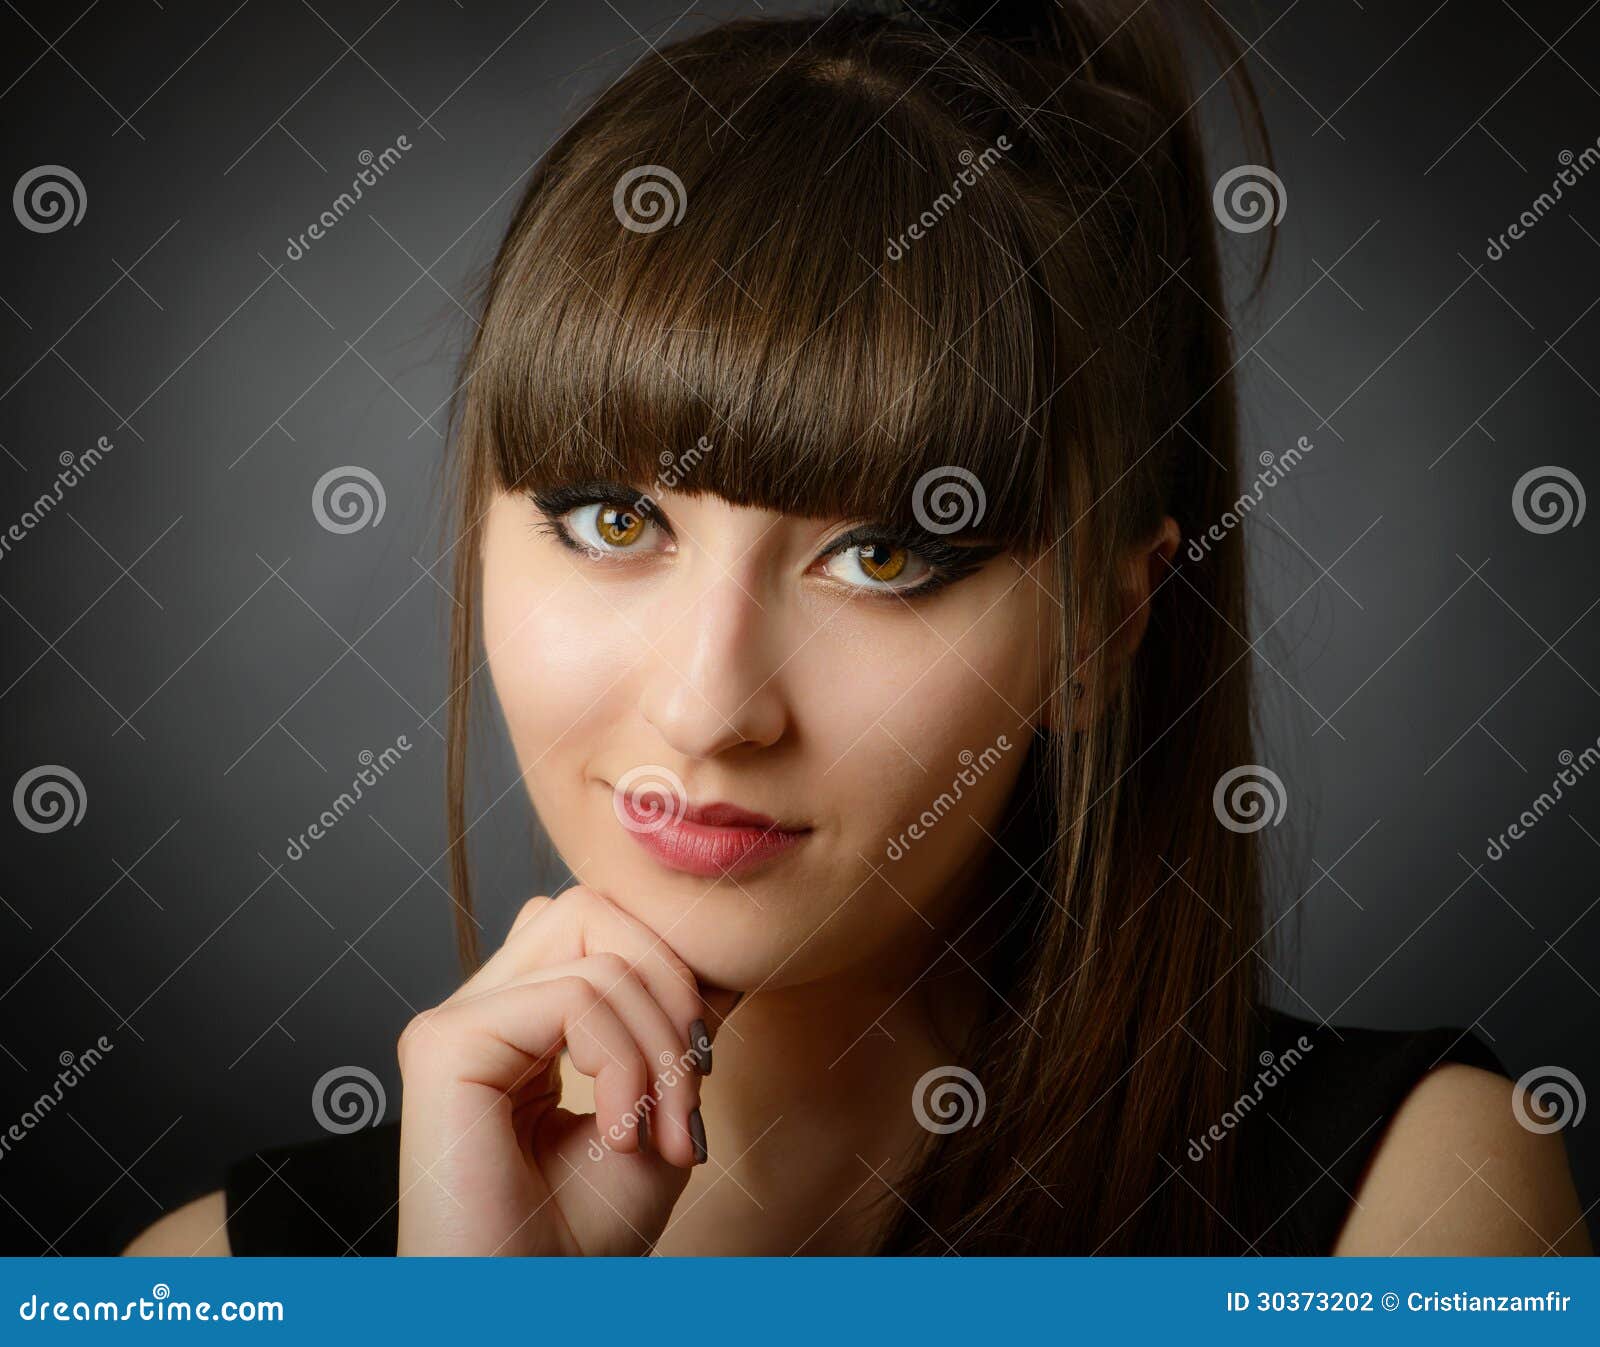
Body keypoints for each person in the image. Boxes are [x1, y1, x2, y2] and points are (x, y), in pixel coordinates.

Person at [126, 0, 1590, 1256]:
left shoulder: (1413, 1205)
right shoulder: (199, 1282)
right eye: (614, 522)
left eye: (883, 554)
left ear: (1098, 630)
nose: (711, 710)